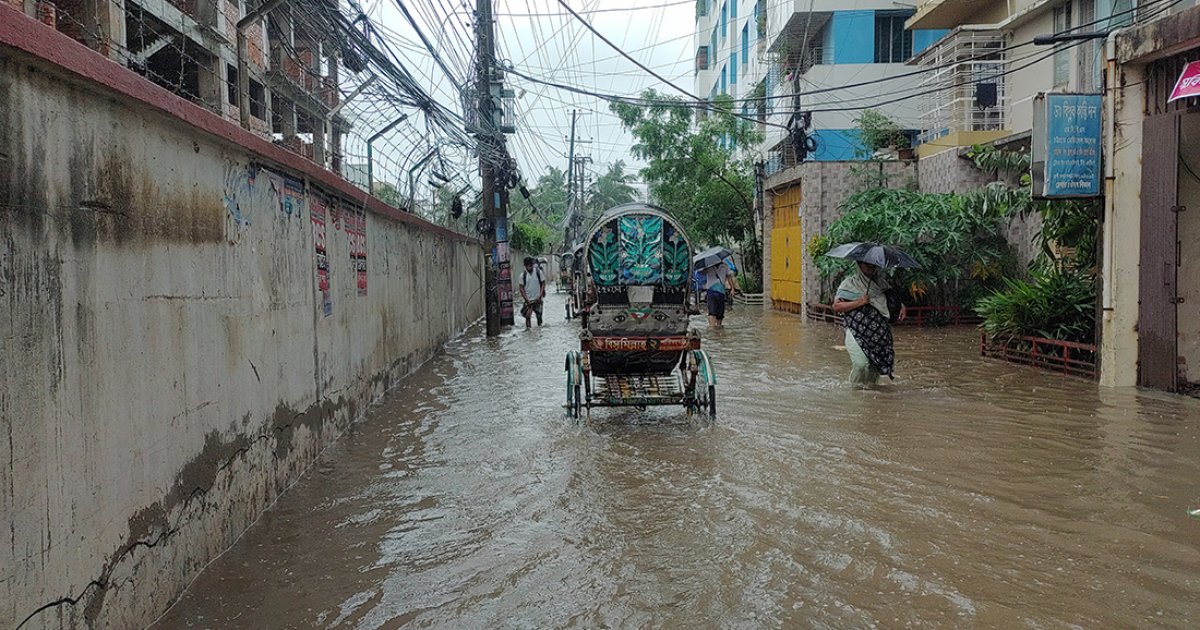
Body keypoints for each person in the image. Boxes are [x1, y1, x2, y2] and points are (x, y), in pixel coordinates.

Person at [832, 261, 907, 385]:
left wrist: (902, 306)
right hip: (856, 330)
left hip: (879, 334)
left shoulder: (882, 283)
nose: (870, 266)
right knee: (861, 365)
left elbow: (891, 299)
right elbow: (837, 306)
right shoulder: (849, 283)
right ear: (859, 265)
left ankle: (870, 399)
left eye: (873, 264)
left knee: (873, 369)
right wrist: (859, 302)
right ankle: (854, 393)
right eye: (866, 264)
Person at [702, 261, 734, 328]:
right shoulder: (709, 266)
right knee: (712, 311)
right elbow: (702, 273)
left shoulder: (725, 266)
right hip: (711, 291)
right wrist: (705, 267)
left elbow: (729, 277)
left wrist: (732, 288)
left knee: (720, 313)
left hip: (721, 292)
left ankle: (719, 327)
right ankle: (712, 328)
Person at [519, 256, 545, 328]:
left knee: (539, 317)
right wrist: (526, 299)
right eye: (527, 266)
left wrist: (540, 295)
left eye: (530, 265)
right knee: (527, 316)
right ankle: (528, 331)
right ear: (525, 266)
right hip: (528, 301)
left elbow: (543, 283)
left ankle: (539, 330)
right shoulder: (522, 275)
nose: (529, 267)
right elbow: (521, 288)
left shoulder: (538, 272)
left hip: (538, 299)